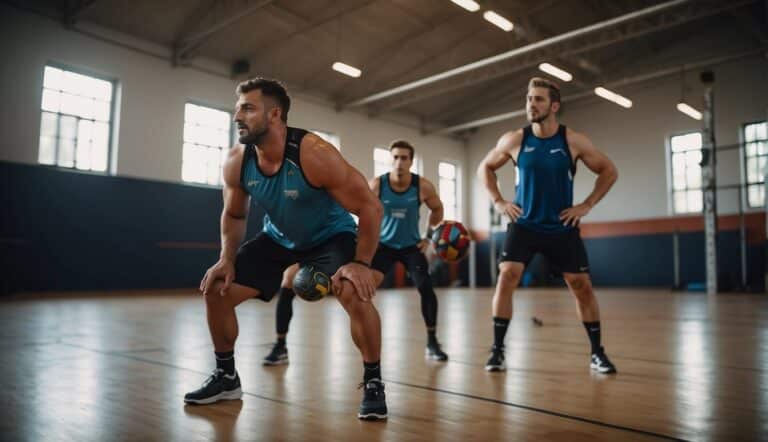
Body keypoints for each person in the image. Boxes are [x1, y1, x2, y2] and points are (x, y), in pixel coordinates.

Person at [183, 77, 388, 421]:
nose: (238, 116)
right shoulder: (238, 161)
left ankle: (373, 381)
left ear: (275, 114)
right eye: (238, 108)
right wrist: (226, 259)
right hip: (279, 237)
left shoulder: (315, 155)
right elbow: (234, 214)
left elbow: (370, 208)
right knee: (216, 289)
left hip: (330, 235)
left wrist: (362, 263)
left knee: (355, 290)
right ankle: (227, 377)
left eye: (248, 108)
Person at [477, 77, 619, 374]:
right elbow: (485, 167)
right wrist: (499, 201)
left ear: (554, 106)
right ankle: (497, 350)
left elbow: (608, 171)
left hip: (561, 226)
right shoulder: (515, 139)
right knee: (507, 276)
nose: (531, 104)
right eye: (529, 99)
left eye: (538, 99)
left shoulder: (573, 141)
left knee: (581, 287)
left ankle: (597, 353)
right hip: (524, 224)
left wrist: (587, 204)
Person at [263, 140, 449, 364]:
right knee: (360, 291)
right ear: (391, 159)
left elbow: (437, 208)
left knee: (426, 287)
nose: (399, 162)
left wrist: (429, 238)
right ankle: (360, 349)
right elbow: (362, 209)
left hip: (411, 247)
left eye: (404, 158)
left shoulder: (423, 186)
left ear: (411, 161)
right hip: (383, 247)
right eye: (396, 157)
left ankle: (432, 341)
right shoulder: (378, 184)